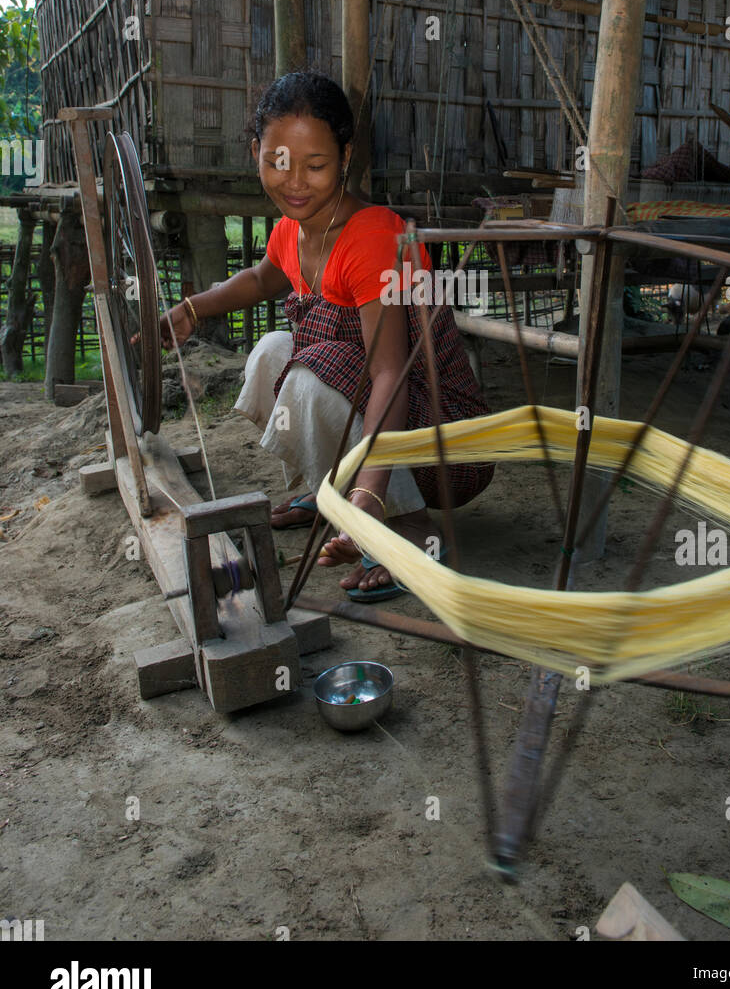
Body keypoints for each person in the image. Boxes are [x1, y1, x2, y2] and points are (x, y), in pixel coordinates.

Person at [160, 70, 494, 601]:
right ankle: (328, 491)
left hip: (444, 437)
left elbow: (391, 373)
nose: (295, 182)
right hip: (379, 405)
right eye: (278, 163)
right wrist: (191, 311)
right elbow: (261, 278)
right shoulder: (294, 229)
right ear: (256, 153)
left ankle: (408, 526)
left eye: (315, 165)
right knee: (272, 352)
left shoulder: (373, 237)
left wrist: (369, 498)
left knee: (308, 381)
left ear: (345, 156)